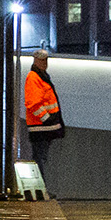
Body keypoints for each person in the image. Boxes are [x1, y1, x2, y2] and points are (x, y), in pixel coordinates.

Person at [22, 50, 65, 178]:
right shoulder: (34, 77)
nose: (45, 63)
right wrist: (47, 119)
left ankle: (40, 185)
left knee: (40, 158)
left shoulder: (40, 76)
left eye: (45, 60)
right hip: (41, 127)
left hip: (44, 127)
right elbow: (33, 103)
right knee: (40, 158)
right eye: (42, 61)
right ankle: (39, 185)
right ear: (36, 61)